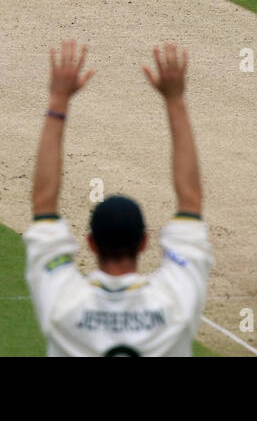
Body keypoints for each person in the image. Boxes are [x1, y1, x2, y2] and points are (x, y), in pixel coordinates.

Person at [24, 41, 213, 356]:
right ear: (144, 243)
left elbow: (43, 206)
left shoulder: (64, 304)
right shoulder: (174, 303)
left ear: (91, 243)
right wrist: (175, 100)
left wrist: (58, 101)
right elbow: (191, 202)